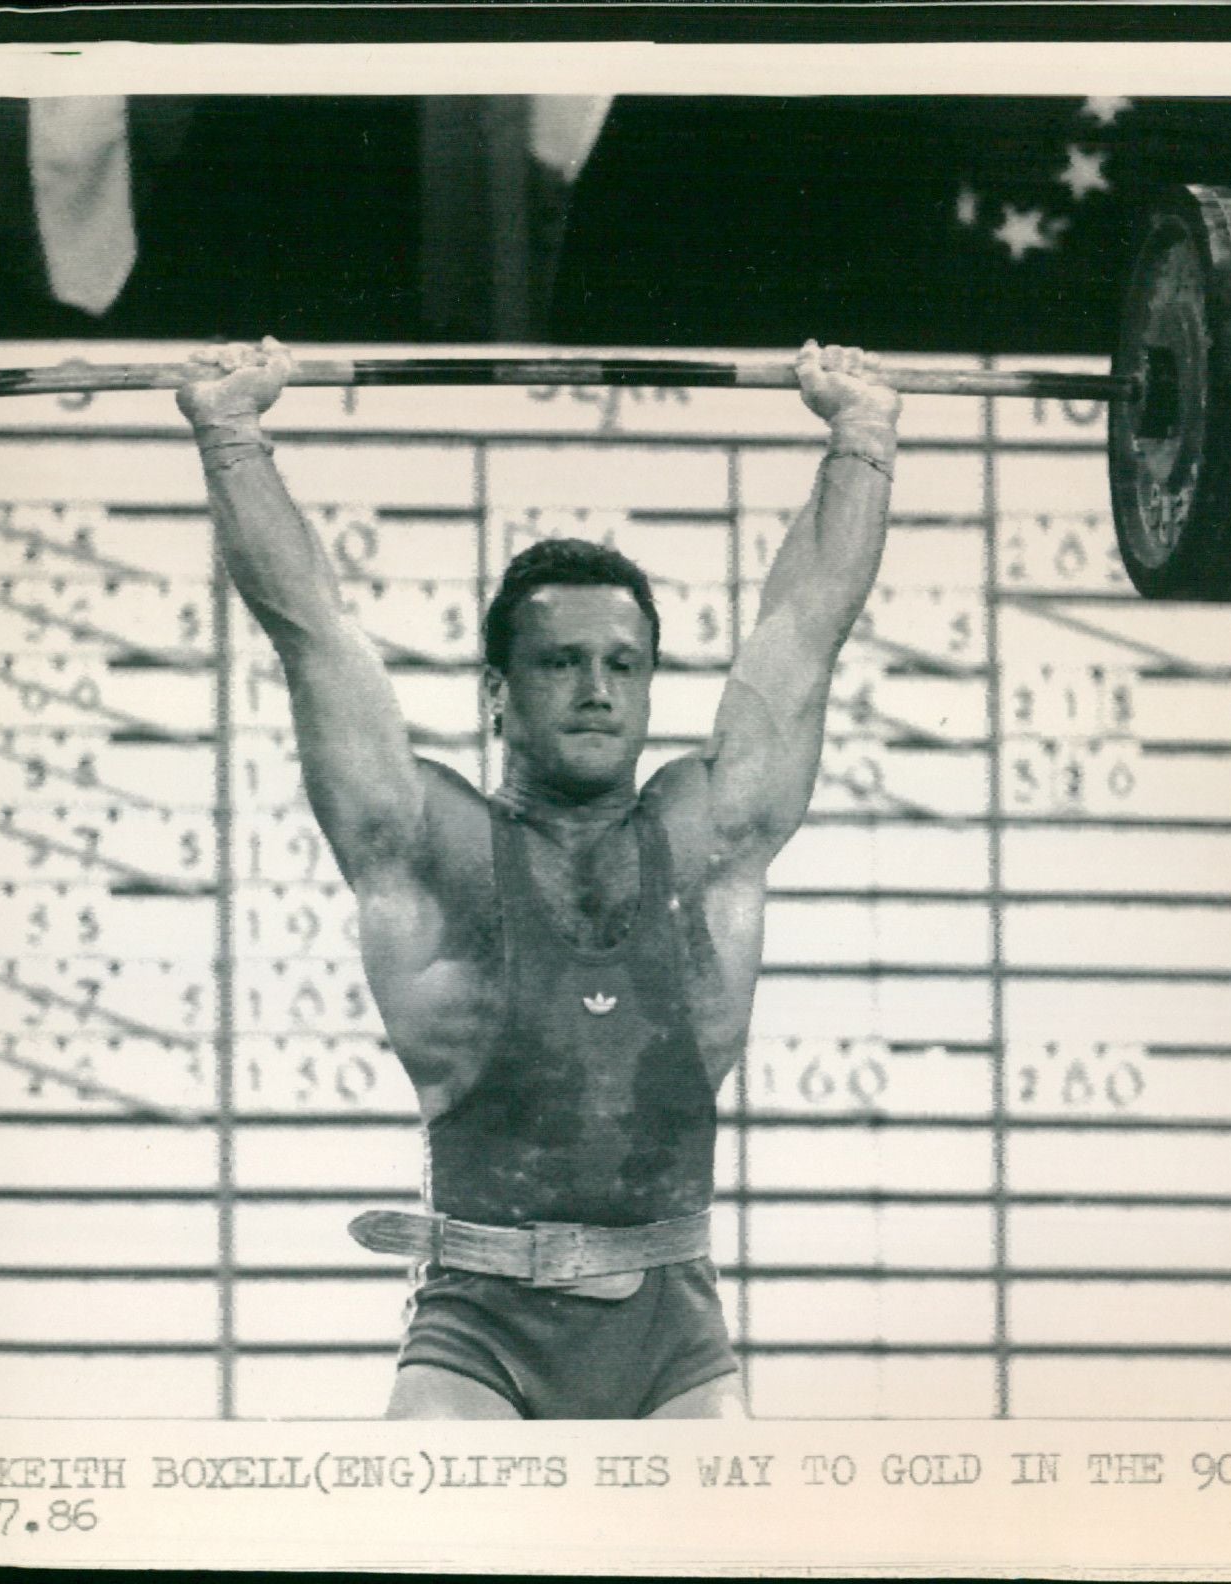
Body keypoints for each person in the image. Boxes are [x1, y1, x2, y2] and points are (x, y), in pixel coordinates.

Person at [178, 338, 901, 1419]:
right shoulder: (432, 845)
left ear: (651, 687)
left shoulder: (707, 834)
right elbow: (313, 638)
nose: (595, 690)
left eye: (621, 665)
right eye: (559, 664)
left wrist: (862, 439)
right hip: (476, 1333)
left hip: (673, 1336)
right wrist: (231, 437)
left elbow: (802, 634)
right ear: (498, 694)